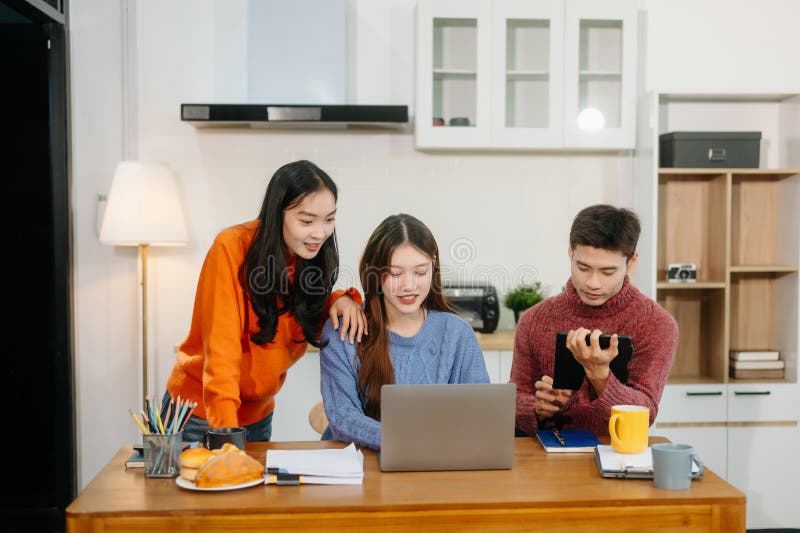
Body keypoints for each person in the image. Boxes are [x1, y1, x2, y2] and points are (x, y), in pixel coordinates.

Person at [164, 160, 366, 443]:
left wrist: (340, 299)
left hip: (259, 417)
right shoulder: (231, 248)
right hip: (201, 415)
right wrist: (225, 436)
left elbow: (303, 309)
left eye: (329, 219)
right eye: (306, 221)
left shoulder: (307, 256)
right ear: (276, 214)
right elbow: (221, 352)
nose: (319, 233)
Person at [320, 214, 490, 450]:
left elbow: (479, 415)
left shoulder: (458, 334)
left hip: (431, 469)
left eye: (420, 272)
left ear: (433, 267)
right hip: (358, 471)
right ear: (374, 273)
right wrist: (410, 442)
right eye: (395, 274)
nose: (408, 285)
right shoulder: (344, 330)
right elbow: (342, 417)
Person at [510, 204, 678, 437]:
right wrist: (537, 407)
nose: (593, 283)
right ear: (570, 252)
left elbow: (645, 413)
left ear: (631, 262)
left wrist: (600, 376)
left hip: (619, 456)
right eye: (583, 267)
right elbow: (514, 402)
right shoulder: (533, 320)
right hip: (545, 459)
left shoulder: (657, 324)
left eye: (608, 272)